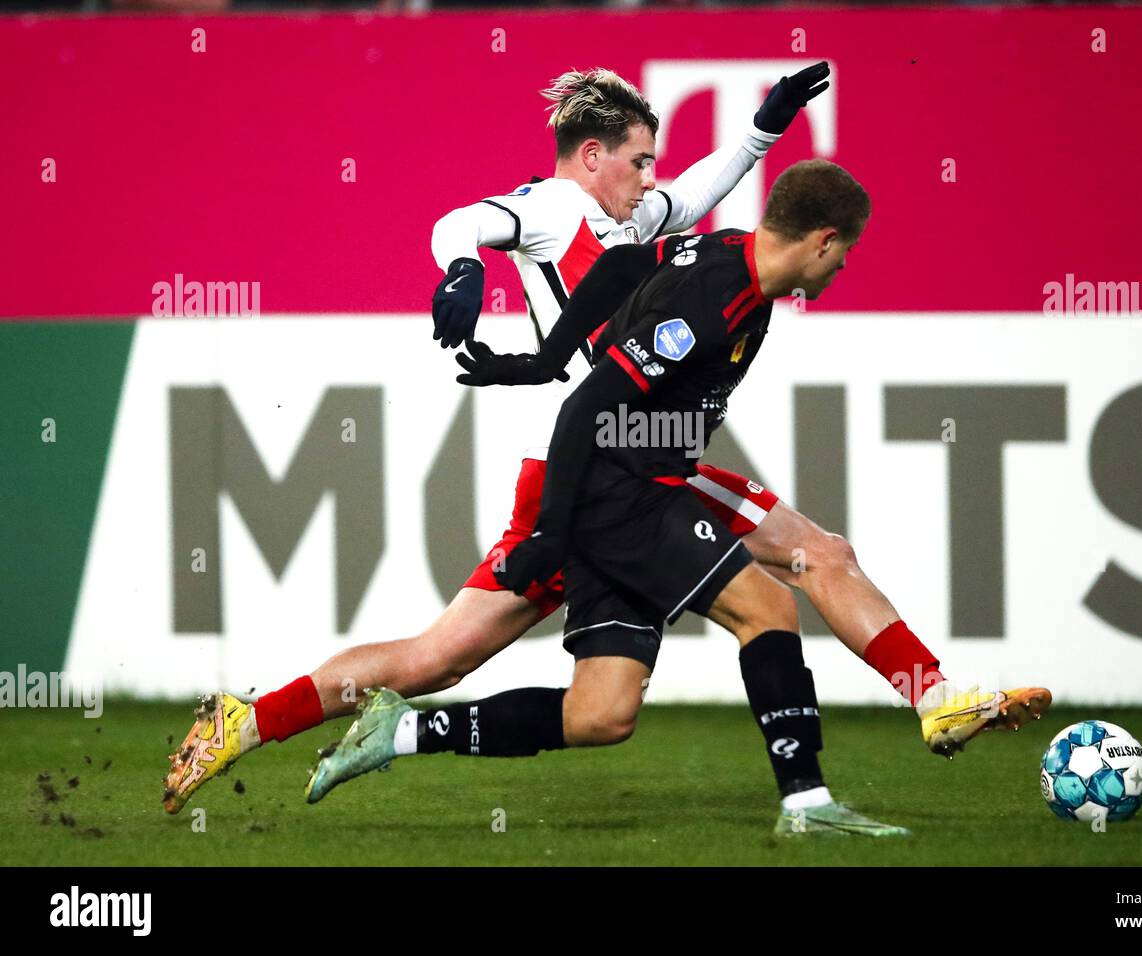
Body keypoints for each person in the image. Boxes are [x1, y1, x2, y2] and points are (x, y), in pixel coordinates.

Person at [163, 65, 1047, 817]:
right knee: (814, 555)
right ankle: (928, 706)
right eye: (637, 160)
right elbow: (459, 224)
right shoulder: (552, 206)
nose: (648, 177)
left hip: (596, 462)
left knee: (461, 665)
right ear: (594, 157)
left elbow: (697, 193)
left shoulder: (626, 225)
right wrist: (463, 269)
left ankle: (250, 720)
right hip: (605, 462)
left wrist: (758, 131)